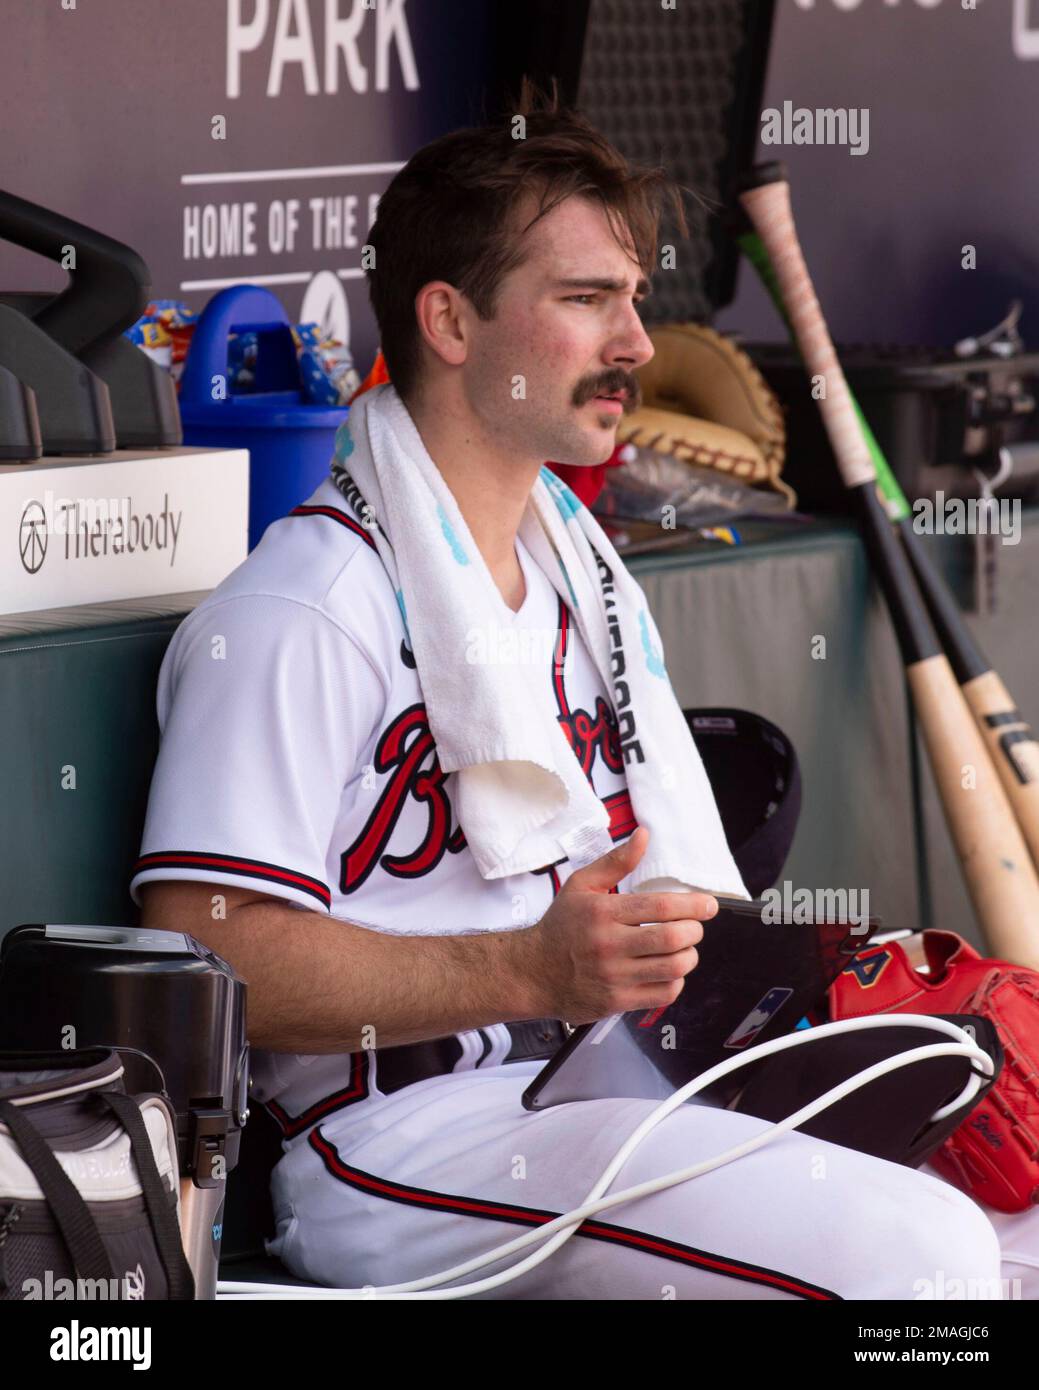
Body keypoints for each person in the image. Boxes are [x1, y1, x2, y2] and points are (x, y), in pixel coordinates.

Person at [135, 80, 1028, 1300]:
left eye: (634, 299)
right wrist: (527, 972)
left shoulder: (579, 577)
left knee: (1014, 1227)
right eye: (585, 300)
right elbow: (201, 953)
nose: (636, 345)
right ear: (449, 322)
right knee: (916, 1258)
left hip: (612, 1086)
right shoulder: (305, 609)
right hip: (403, 1138)